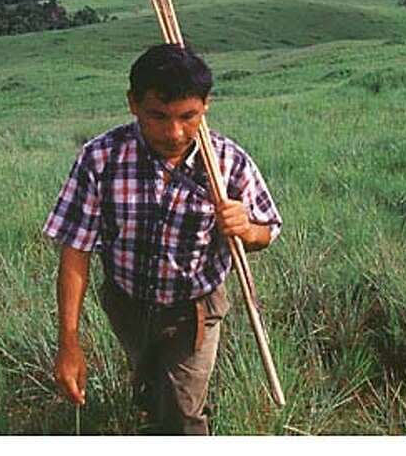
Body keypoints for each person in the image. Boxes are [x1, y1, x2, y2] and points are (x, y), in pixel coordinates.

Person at [43, 43, 282, 435]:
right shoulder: (100, 159)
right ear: (133, 104)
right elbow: (75, 251)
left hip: (195, 310)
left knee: (182, 412)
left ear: (206, 105)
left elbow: (266, 231)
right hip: (127, 304)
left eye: (188, 117)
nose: (174, 132)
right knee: (150, 382)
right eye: (158, 116)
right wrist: (68, 341)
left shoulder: (229, 163)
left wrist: (246, 228)